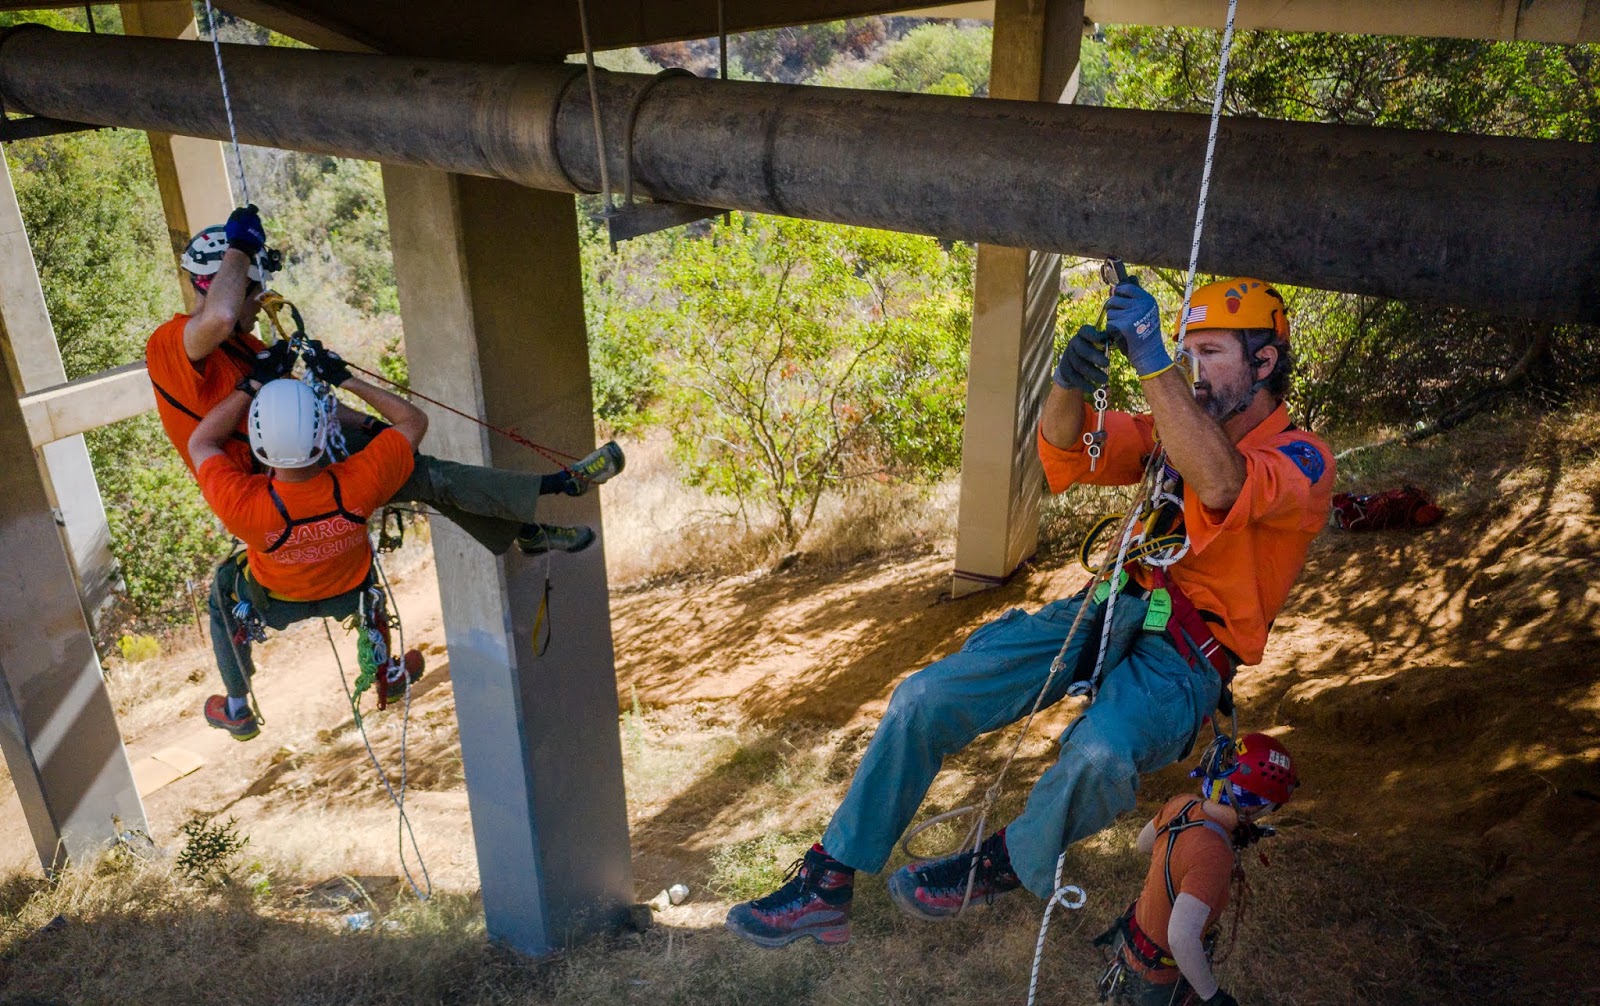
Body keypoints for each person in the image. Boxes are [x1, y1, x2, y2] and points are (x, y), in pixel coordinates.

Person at [725, 276, 1332, 948]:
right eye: (1185, 351)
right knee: (923, 697)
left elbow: (1222, 482)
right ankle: (826, 880)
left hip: (1184, 655)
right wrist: (1069, 383)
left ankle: (1005, 861)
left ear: (1264, 362)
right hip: (1106, 611)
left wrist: (1154, 360)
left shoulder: (1302, 459)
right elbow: (1067, 453)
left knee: (1100, 753)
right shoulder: (1177, 427)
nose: (1191, 368)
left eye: (1209, 351)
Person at [146, 205, 623, 559]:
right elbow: (223, 314)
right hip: (262, 491)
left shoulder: (249, 350)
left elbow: (311, 412)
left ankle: (527, 529)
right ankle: (559, 487)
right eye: (256, 295)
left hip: (295, 462)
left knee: (416, 465)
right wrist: (241, 245)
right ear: (213, 287)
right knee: (425, 475)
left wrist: (375, 430)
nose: (261, 306)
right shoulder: (169, 345)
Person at [192, 362, 427, 739]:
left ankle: (237, 705)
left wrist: (251, 385)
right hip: (347, 594)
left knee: (223, 587)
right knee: (369, 582)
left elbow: (201, 442)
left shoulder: (244, 505)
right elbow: (413, 420)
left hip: (274, 602)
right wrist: (344, 378)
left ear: (257, 440)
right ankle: (385, 673)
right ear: (322, 431)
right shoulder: (361, 481)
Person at [1066, 732, 1298, 1006]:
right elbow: (1181, 937)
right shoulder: (1213, 855)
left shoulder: (1182, 804)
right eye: (1267, 809)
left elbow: (1145, 842)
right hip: (1155, 978)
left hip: (1129, 945)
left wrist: (1214, 836)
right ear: (1257, 804)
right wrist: (1214, 998)